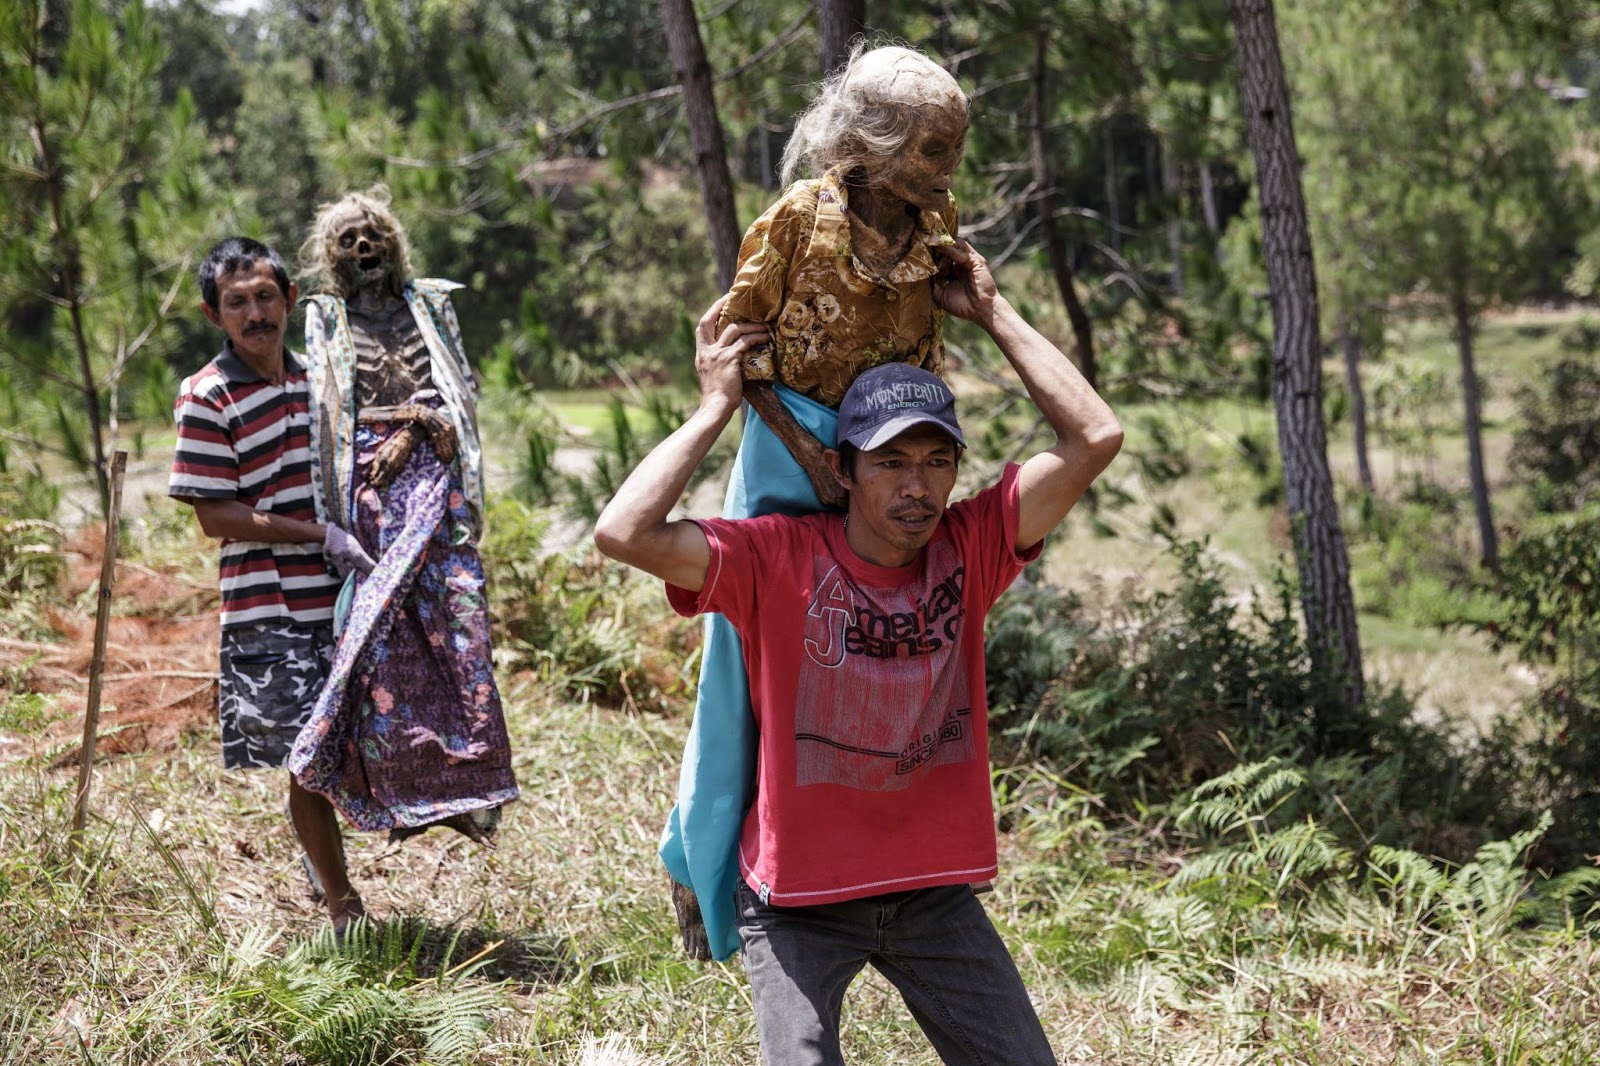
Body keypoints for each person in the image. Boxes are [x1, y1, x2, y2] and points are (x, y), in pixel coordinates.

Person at [595, 241, 1122, 1065]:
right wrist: (713, 410)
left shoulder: (970, 548)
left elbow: (1094, 434)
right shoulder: (776, 559)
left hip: (928, 893)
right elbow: (622, 532)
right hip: (797, 900)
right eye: (890, 463)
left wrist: (990, 310)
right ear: (845, 470)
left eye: (936, 461)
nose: (916, 488)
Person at [662, 41, 971, 962]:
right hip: (788, 462)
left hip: (876, 464)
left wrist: (902, 460)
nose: (944, 170)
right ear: (871, 142)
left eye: (953, 150)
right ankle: (703, 869)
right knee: (747, 671)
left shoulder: (935, 231)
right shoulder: (802, 219)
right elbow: (737, 347)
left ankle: (844, 870)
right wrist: (813, 451)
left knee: (853, 670)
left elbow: (927, 359)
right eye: (928, 149)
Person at [287, 187, 517, 843]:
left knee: (462, 630)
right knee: (382, 641)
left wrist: (419, 423)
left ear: (395, 243)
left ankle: (470, 788)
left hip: (435, 483)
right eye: (349, 240)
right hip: (367, 485)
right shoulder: (325, 318)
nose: (364, 248)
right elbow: (331, 412)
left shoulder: (432, 306)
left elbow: (457, 401)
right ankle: (391, 791)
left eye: (374, 236)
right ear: (332, 256)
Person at [169, 236, 376, 933]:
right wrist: (318, 535)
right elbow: (212, 515)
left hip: (339, 597)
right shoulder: (207, 397)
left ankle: (323, 868)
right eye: (237, 303)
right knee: (305, 760)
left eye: (265, 296)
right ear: (214, 315)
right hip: (267, 605)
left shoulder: (320, 377)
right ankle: (344, 904)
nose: (255, 313)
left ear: (288, 299)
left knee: (348, 746)